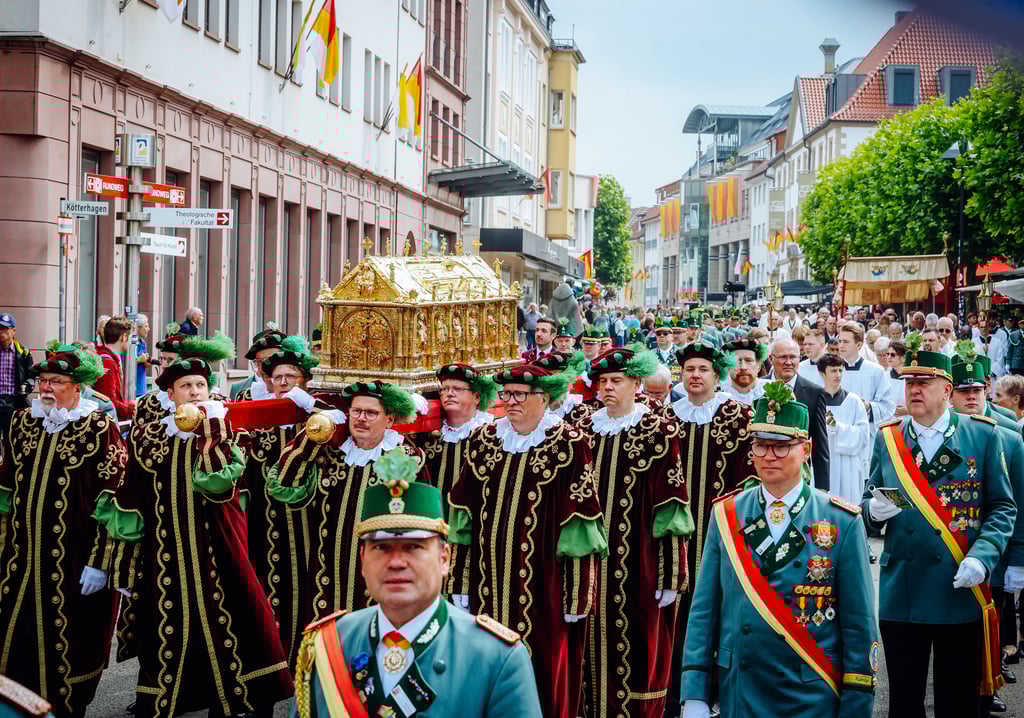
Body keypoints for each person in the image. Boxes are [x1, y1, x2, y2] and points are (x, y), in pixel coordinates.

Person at [96, 344, 295, 718]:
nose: (194, 392)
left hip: (219, 548)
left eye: (200, 385)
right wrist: (119, 565)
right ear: (170, 394)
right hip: (165, 551)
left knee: (238, 617)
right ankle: (163, 699)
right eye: (186, 386)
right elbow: (131, 498)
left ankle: (246, 695)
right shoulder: (148, 435)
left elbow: (218, 485)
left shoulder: (225, 429)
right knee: (164, 624)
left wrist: (212, 432)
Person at [680, 384, 877, 718]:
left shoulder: (841, 521)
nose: (769, 456)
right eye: (760, 445)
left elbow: (859, 625)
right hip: (741, 689)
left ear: (807, 449)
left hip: (810, 691)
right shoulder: (726, 514)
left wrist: (856, 704)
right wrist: (694, 692)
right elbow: (703, 611)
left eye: (782, 446)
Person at [294, 471, 543, 718]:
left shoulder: (497, 657)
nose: (396, 562)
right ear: (362, 560)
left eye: (414, 547)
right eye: (381, 547)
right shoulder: (329, 643)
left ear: (444, 558)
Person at [447, 363, 607, 718]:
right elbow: (463, 518)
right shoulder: (484, 439)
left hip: (546, 591)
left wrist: (578, 596)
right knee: (486, 674)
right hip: (487, 588)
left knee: (543, 676)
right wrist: (458, 583)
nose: (511, 402)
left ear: (544, 398)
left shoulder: (570, 443)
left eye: (520, 395)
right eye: (506, 394)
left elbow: (581, 523)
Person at [863, 346, 1015, 717]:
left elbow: (1002, 507)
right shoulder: (889, 438)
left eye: (924, 383)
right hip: (903, 590)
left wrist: (983, 557)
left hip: (958, 585)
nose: (914, 390)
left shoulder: (981, 436)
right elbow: (868, 499)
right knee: (904, 702)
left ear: (947, 389)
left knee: (957, 703)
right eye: (909, 383)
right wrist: (872, 511)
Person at [0, 345, 125, 717]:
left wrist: (101, 563)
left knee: (71, 643)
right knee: (15, 640)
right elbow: (5, 488)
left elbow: (112, 500)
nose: (47, 388)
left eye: (56, 381)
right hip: (21, 562)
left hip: (74, 562)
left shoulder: (98, 428)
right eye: (43, 381)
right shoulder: (23, 423)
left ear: (77, 387)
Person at [578, 346, 691, 718]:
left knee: (638, 650)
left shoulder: (658, 431)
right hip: (591, 568)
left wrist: (671, 573)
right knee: (587, 652)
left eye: (617, 380)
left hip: (639, 564)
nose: (608, 387)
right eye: (603, 381)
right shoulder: (584, 430)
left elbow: (672, 505)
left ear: (636, 383)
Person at [269, 381, 429, 626]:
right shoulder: (331, 454)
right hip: (326, 574)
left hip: (381, 577)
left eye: (371, 413)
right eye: (356, 411)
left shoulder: (405, 457)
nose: (361, 418)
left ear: (389, 420)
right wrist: (314, 433)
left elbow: (422, 525)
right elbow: (285, 485)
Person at [658, 342, 758, 717]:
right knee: (676, 613)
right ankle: (675, 689)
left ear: (717, 375)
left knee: (719, 609)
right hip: (674, 537)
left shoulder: (738, 416)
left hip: (721, 533)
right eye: (689, 369)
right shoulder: (666, 417)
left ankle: (716, 692)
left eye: (703, 369)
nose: (695, 376)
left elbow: (749, 479)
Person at [241, 336, 328, 666]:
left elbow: (339, 419)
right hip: (267, 521)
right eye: (277, 377)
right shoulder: (261, 417)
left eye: (290, 376)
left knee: (309, 588)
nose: (283, 382)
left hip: (310, 522)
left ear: (303, 381)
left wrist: (308, 404)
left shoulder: (316, 414)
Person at [949, 350, 1024, 709]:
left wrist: (1019, 557)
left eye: (977, 390)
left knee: (989, 618)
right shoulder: (941, 432)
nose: (971, 397)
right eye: (963, 391)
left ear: (987, 389)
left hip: (997, 547)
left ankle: (988, 687)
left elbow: (1018, 502)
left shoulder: (1008, 435)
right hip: (953, 542)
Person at [419, 363, 497, 515]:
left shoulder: (490, 435)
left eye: (457, 389)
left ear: (476, 397)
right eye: (444, 389)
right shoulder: (429, 435)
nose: (449, 394)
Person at [133, 330, 235, 427]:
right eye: (162, 359)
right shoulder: (147, 403)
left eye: (170, 360)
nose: (163, 365)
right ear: (170, 394)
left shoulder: (219, 404)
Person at [771, 338, 831, 491]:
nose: (788, 362)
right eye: (783, 357)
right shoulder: (758, 389)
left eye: (793, 357)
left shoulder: (814, 392)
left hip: (797, 474)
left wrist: (822, 488)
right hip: (765, 470)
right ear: (771, 359)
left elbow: (820, 443)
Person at [816, 353, 870, 504]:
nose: (838, 375)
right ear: (822, 373)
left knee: (848, 505)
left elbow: (863, 436)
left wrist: (838, 428)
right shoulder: (815, 399)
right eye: (833, 371)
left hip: (848, 464)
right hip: (822, 462)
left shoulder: (854, 401)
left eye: (840, 370)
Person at [836, 323, 895, 436]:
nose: (841, 345)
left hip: (866, 435)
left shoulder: (876, 371)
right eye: (840, 341)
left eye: (846, 342)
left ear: (859, 345)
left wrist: (869, 407)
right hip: (839, 434)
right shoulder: (832, 370)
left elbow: (888, 406)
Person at [94, 315, 136, 420]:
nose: (130, 343)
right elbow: (109, 402)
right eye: (130, 338)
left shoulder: (104, 356)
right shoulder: (107, 362)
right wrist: (132, 407)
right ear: (124, 337)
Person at [230, 325, 287, 400]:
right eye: (260, 361)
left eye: (271, 359)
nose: (265, 366)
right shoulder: (243, 394)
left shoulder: (298, 392)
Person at [0, 313, 33, 438]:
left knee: (12, 439)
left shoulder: (23, 352)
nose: (1, 331)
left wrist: (27, 386)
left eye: (5, 328)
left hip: (14, 403)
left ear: (13, 331)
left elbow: (31, 376)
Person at [721, 337, 767, 407]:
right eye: (737, 361)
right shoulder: (719, 396)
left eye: (748, 360)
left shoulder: (770, 391)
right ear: (728, 366)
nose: (743, 367)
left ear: (759, 366)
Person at [134, 314, 152, 396]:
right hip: (131, 387)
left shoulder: (143, 343)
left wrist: (146, 362)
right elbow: (124, 363)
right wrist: (138, 360)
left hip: (141, 387)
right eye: (146, 326)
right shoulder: (129, 343)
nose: (148, 329)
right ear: (138, 327)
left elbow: (144, 363)